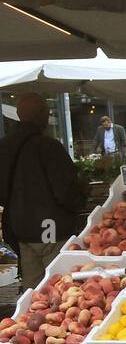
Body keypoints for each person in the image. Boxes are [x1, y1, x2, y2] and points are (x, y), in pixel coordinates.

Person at [0, 94, 86, 289]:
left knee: (32, 288)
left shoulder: (4, 147)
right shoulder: (48, 146)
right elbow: (66, 190)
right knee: (58, 285)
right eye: (47, 113)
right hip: (50, 227)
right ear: (41, 115)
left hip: (20, 227)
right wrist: (79, 198)